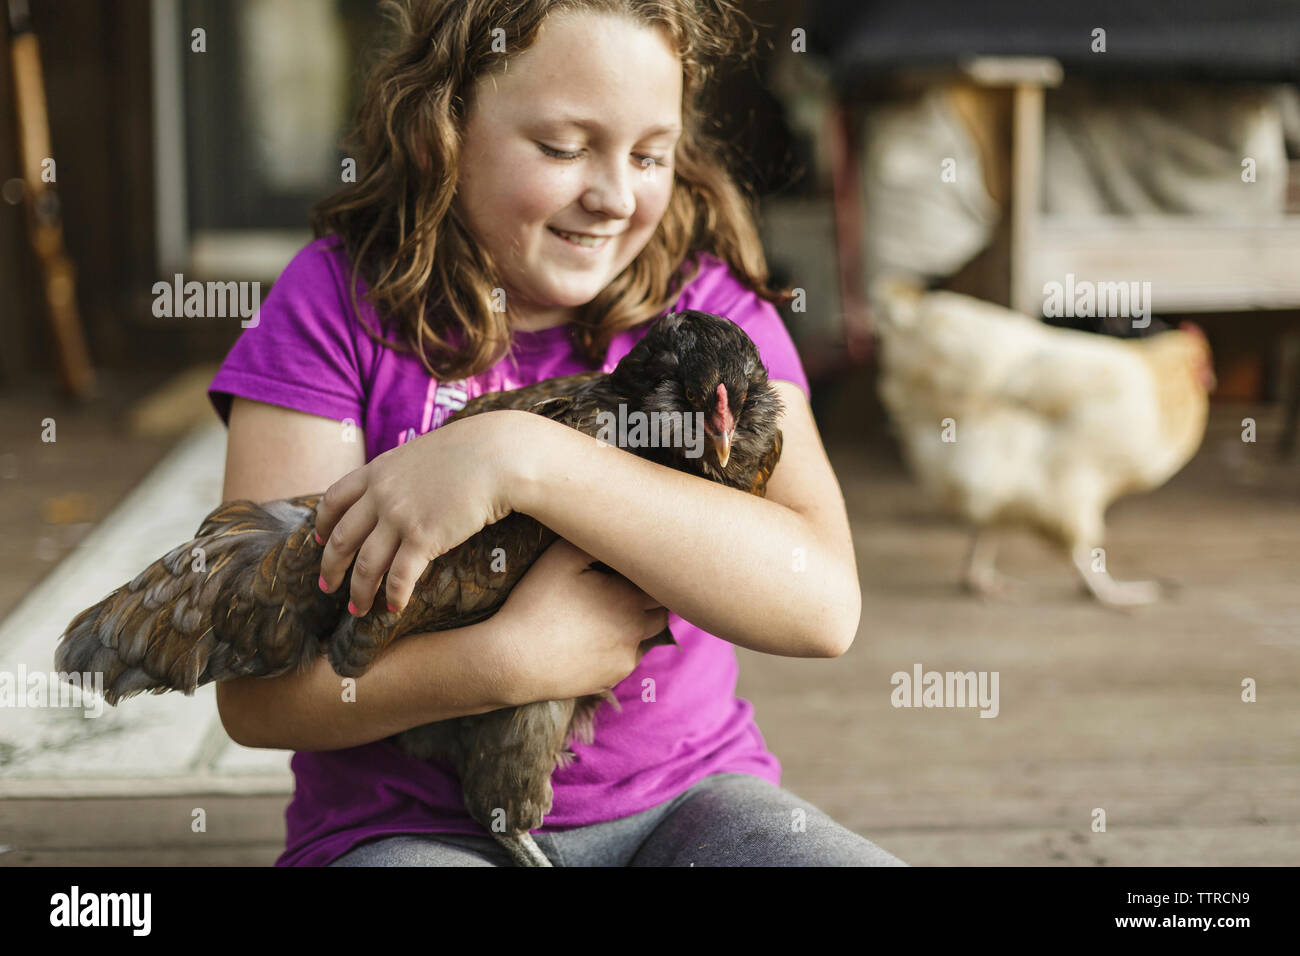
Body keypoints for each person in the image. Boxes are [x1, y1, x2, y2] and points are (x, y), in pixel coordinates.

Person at [208, 0, 904, 867]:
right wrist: (506, 662)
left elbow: (823, 606)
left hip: (688, 806)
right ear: (447, 124)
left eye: (651, 154)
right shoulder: (335, 308)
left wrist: (523, 460)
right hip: (410, 829)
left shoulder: (715, 316)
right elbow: (258, 703)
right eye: (565, 147)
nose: (615, 195)